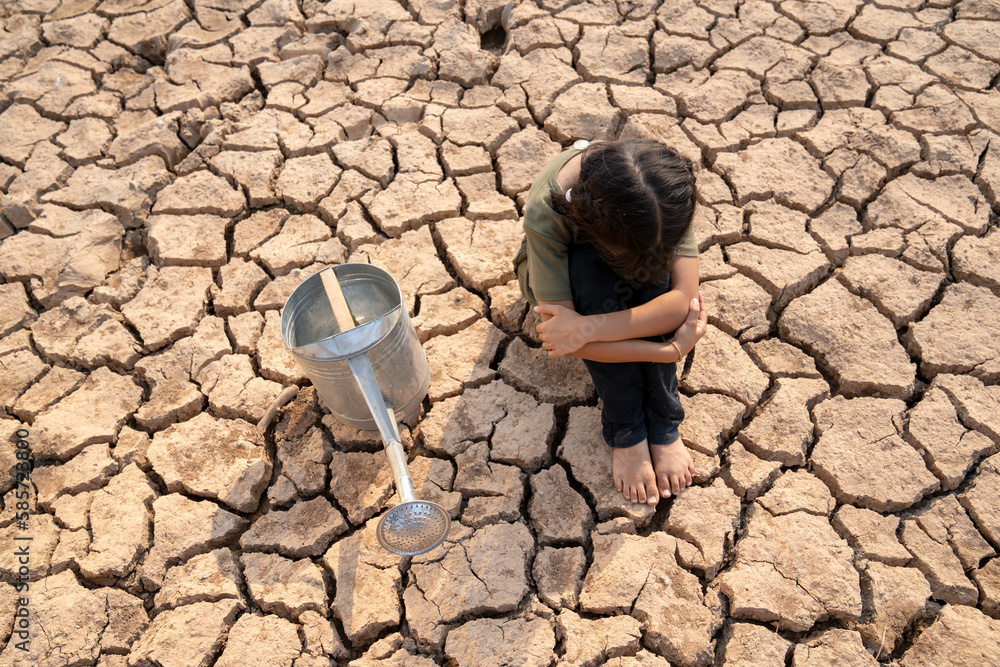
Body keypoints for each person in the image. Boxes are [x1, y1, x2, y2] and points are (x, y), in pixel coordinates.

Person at [512, 139, 708, 506]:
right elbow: (561, 334)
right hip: (573, 274)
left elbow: (680, 301)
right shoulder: (549, 213)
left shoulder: (660, 193)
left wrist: (669, 350)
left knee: (658, 279)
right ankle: (627, 429)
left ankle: (664, 422)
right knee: (590, 274)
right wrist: (583, 330)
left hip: (622, 255)